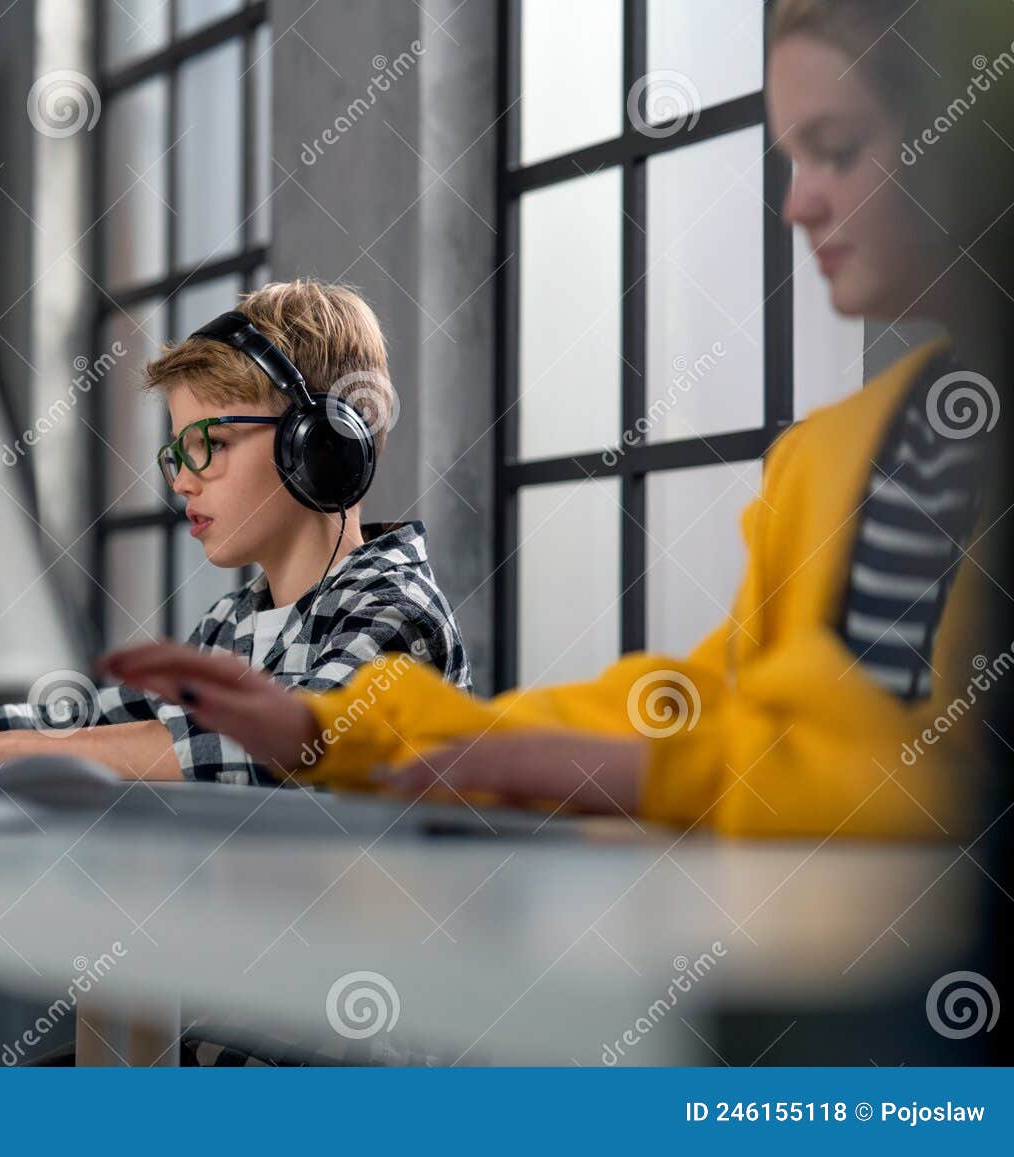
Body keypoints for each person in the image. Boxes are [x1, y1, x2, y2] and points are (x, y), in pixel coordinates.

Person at [103, 0, 1008, 840]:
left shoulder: (384, 602)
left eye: (838, 150)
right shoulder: (827, 460)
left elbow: (959, 797)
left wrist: (648, 773)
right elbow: (706, 705)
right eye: (793, 159)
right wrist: (326, 727)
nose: (797, 203)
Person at [0, 279, 471, 784]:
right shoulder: (236, 620)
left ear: (319, 446)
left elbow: (290, 747)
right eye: (177, 455)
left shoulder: (395, 611)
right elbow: (107, 719)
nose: (183, 481)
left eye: (210, 443)